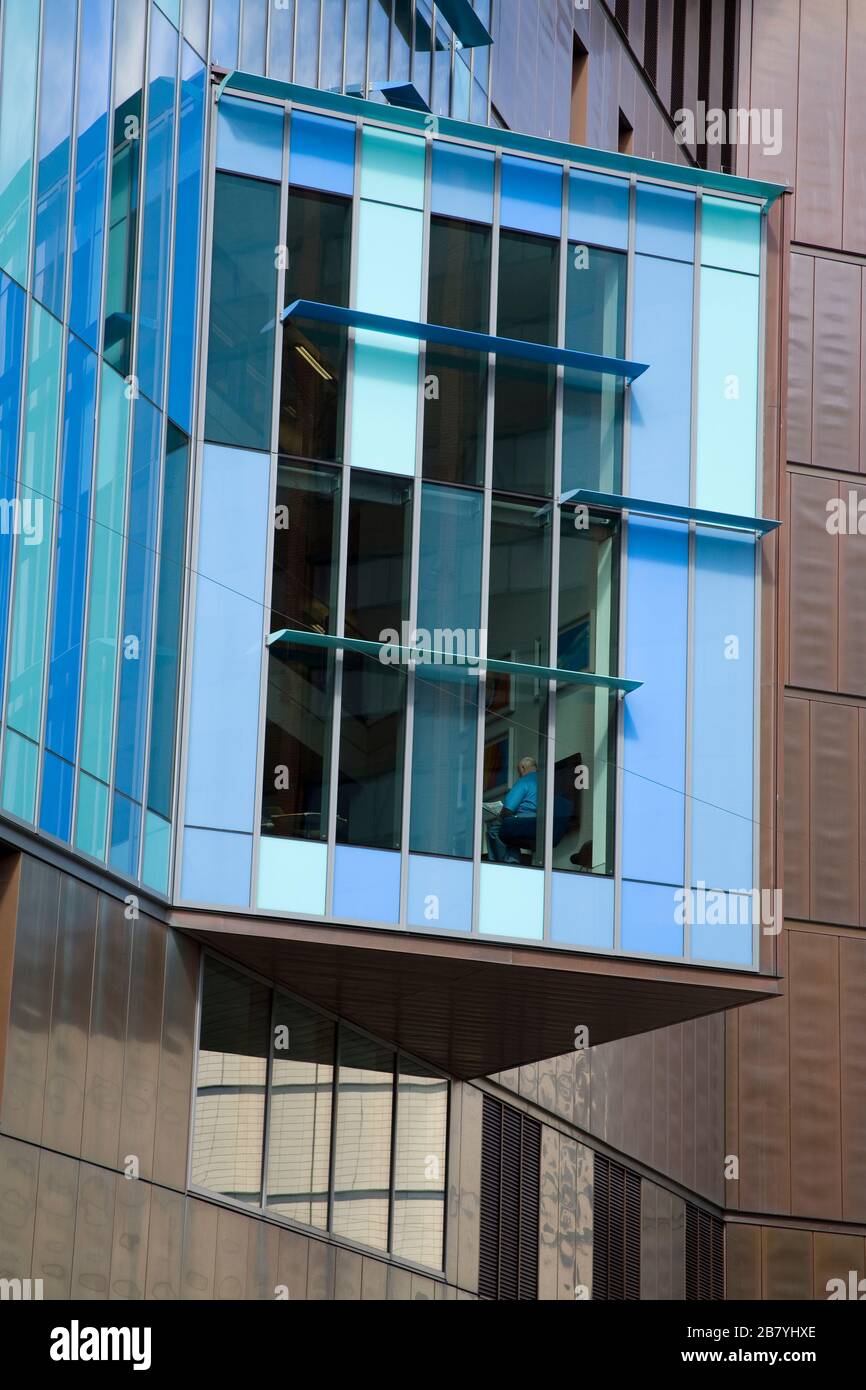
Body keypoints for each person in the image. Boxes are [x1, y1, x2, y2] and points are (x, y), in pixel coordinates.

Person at [486, 757, 540, 864]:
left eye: (519, 771)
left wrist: (498, 814)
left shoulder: (524, 781)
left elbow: (508, 809)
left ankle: (508, 861)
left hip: (526, 820)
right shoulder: (546, 780)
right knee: (509, 826)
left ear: (523, 767)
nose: (519, 774)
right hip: (542, 823)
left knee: (494, 829)